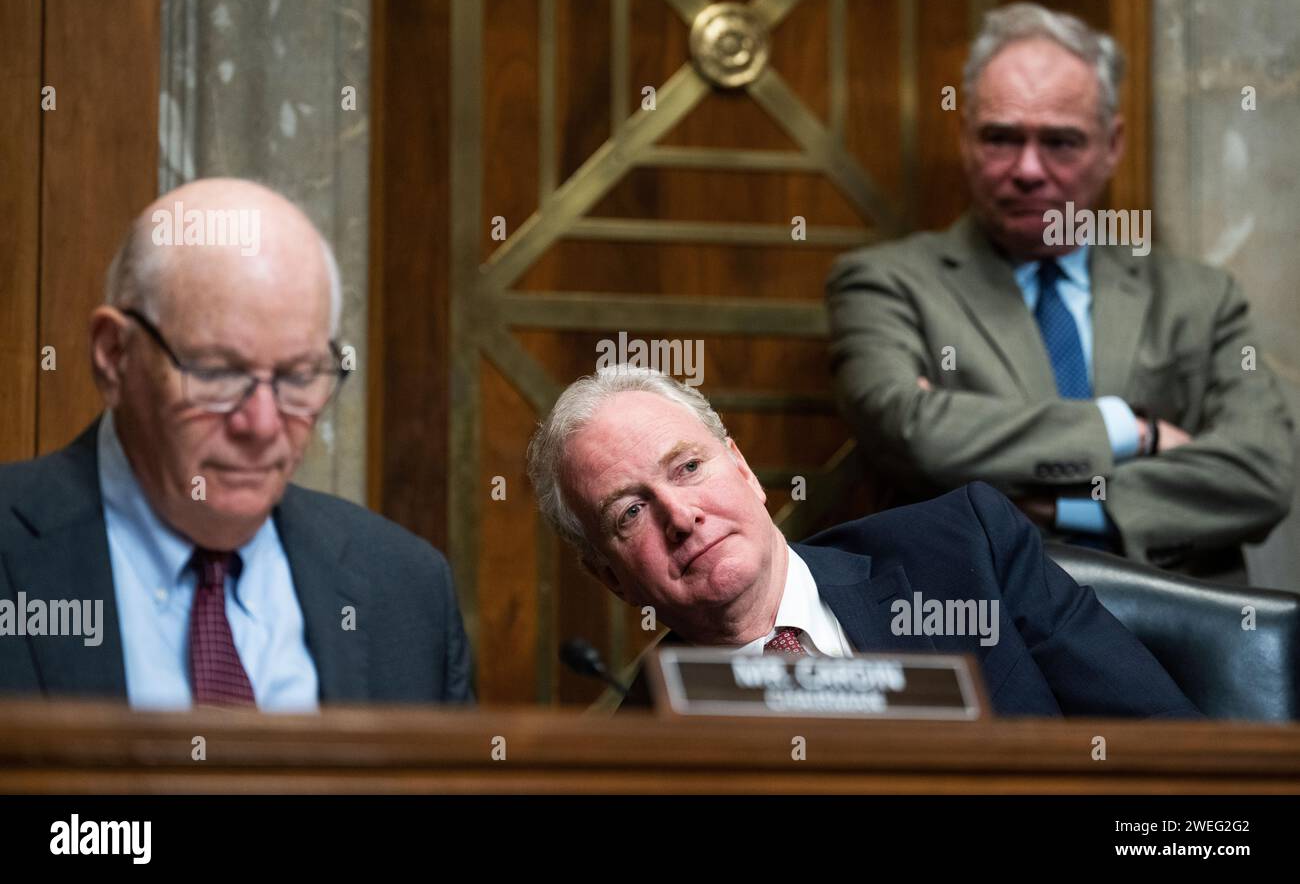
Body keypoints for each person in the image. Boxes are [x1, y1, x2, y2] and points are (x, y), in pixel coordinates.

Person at [826, 2, 1293, 583]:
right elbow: (912, 430)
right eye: (1001, 138)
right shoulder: (886, 283)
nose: (1027, 169)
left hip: (1177, 635)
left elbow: (1262, 474)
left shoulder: (1200, 297)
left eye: (1060, 142)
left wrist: (1067, 504)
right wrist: (1132, 432)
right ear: (964, 135)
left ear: (1112, 145)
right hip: (980, 623)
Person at [0, 179, 472, 709]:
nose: (263, 424)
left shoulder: (406, 593)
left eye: (298, 376)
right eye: (218, 373)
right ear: (114, 356)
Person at [526, 367, 1200, 718]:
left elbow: (1176, 763)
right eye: (630, 513)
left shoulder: (963, 553)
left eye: (688, 468)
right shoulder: (642, 739)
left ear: (745, 471)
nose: (681, 515)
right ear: (611, 579)